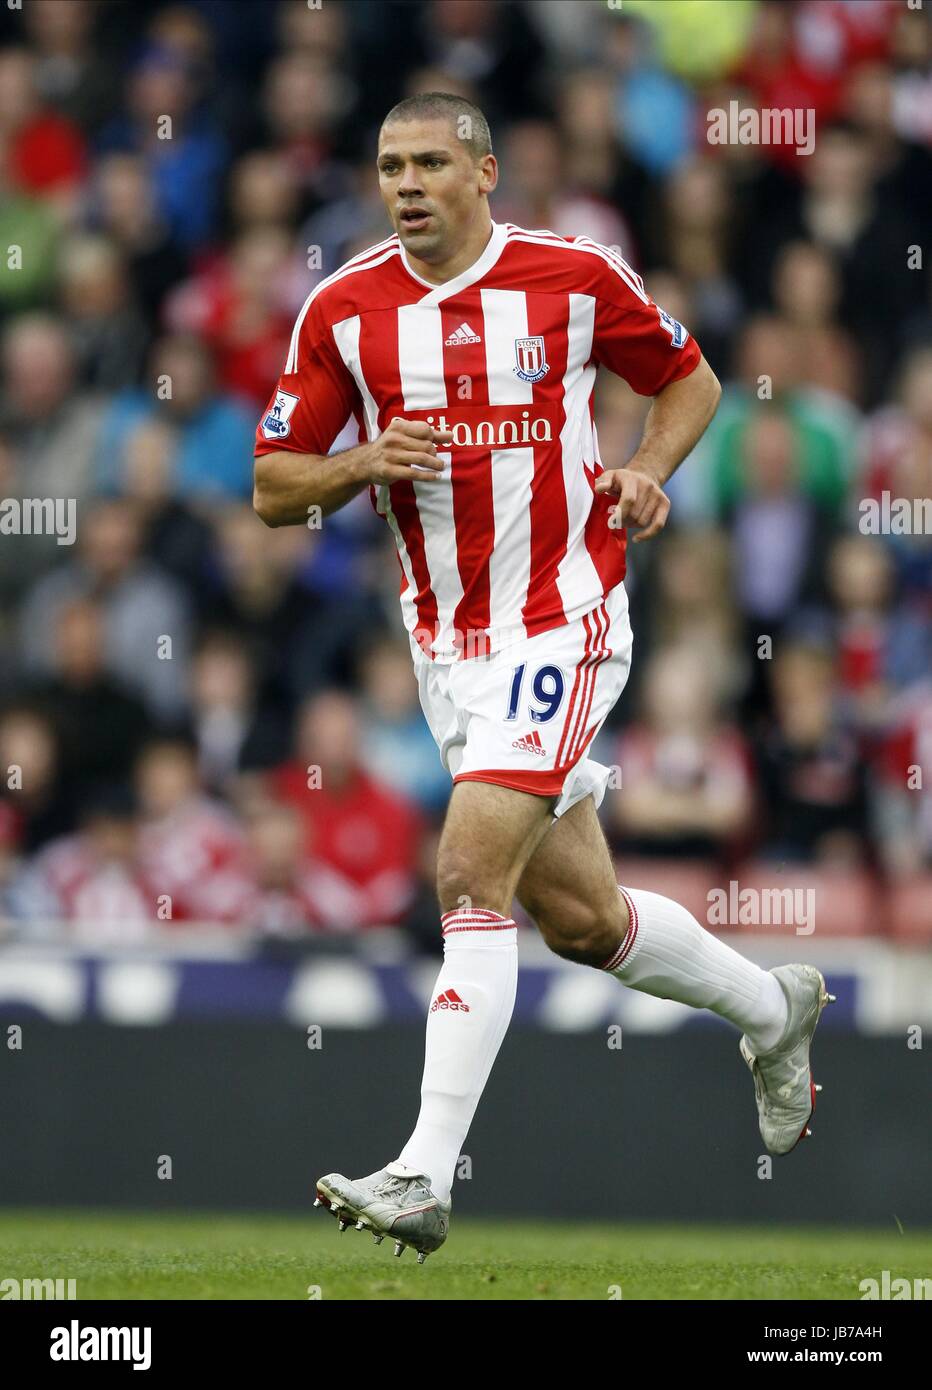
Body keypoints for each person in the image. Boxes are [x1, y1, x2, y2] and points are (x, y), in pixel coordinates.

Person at [253, 92, 833, 1263]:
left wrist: (644, 470)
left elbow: (691, 380)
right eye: (387, 166)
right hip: (444, 647)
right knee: (578, 920)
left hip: (564, 617)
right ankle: (775, 1013)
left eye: (427, 163)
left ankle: (422, 1171)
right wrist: (360, 458)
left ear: (484, 171)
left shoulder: (572, 275)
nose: (405, 184)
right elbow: (272, 485)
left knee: (468, 868)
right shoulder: (344, 310)